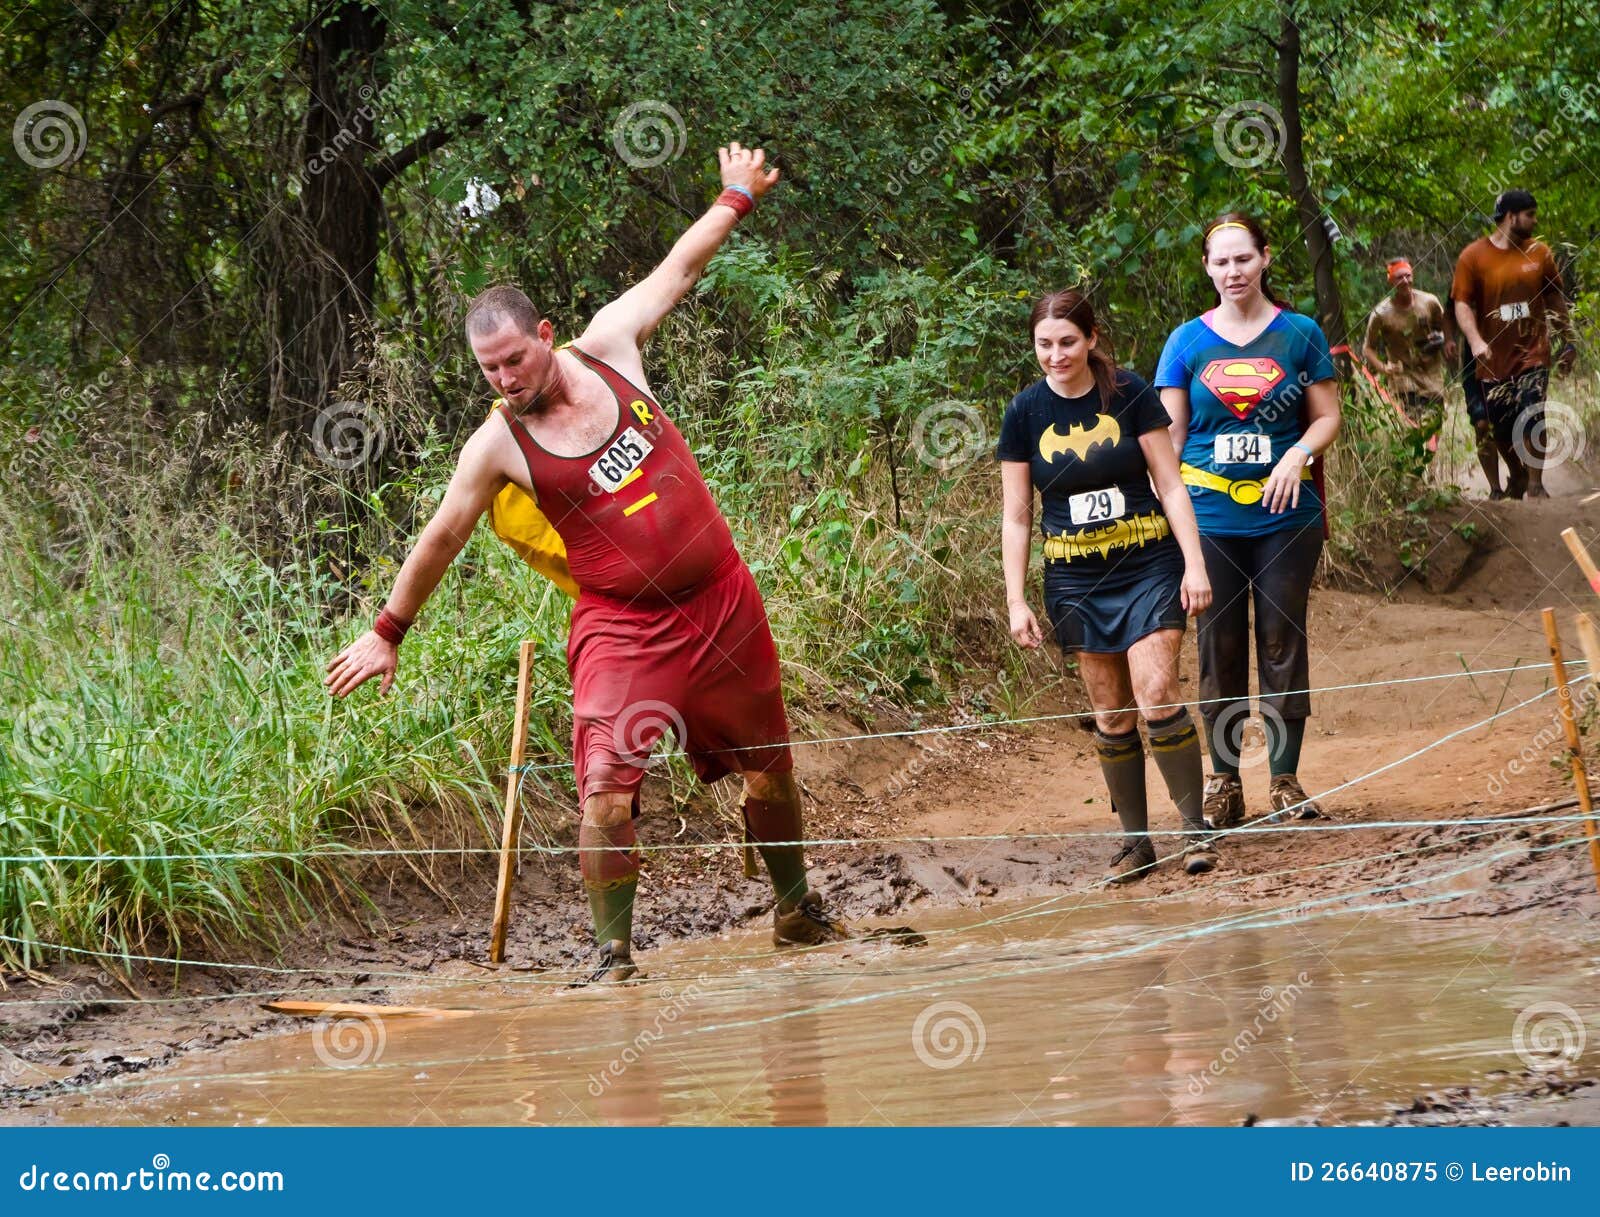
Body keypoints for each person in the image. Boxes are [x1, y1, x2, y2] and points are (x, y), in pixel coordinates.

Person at [325, 142, 844, 982]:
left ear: (546, 336)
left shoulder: (612, 346)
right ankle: (614, 957)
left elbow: (678, 269)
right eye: (488, 369)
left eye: (514, 360)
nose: (504, 379)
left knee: (769, 767)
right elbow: (442, 536)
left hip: (721, 600)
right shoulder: (498, 442)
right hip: (624, 625)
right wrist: (388, 631)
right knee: (605, 787)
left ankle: (796, 912)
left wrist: (736, 197)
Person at [1000, 290, 1216, 883]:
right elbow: (1017, 515)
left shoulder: (1129, 394)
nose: (1056, 354)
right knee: (1111, 711)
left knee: (1157, 693)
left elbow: (1171, 485)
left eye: (1067, 341)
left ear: (1091, 338)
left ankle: (1195, 829)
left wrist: (1195, 566)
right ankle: (1135, 843)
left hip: (1148, 563)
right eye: (1044, 344)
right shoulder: (1024, 413)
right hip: (1074, 576)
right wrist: (1016, 599)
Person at [1154, 213, 1342, 829]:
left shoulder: (1300, 333)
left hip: (1286, 515)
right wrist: (1160, 508)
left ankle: (1285, 781)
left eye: (1243, 259)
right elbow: (1170, 436)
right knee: (1220, 644)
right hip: (1208, 515)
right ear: (1207, 268)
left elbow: (1326, 417)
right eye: (1220, 261)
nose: (1233, 271)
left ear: (1264, 258)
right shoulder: (1186, 341)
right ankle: (1224, 783)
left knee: (1283, 638)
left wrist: (1298, 453)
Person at [1451, 188, 1576, 499]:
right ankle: (1517, 476)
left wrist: (1567, 341)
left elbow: (1554, 300)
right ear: (1510, 217)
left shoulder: (1540, 253)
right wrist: (1476, 341)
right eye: (1530, 215)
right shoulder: (1472, 257)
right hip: (1492, 359)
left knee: (1533, 412)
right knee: (1500, 427)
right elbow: (1461, 305)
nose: (1535, 221)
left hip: (1533, 351)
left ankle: (1536, 484)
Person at [1362, 257, 1452, 448]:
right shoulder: (1381, 313)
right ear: (1390, 281)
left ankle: (1428, 466)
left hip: (1431, 376)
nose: (1405, 281)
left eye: (1408, 276)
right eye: (1399, 277)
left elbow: (1445, 328)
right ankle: (1418, 472)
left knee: (1433, 425)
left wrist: (1442, 339)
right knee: (1413, 429)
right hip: (1403, 380)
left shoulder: (1429, 302)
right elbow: (1367, 348)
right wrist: (1383, 368)